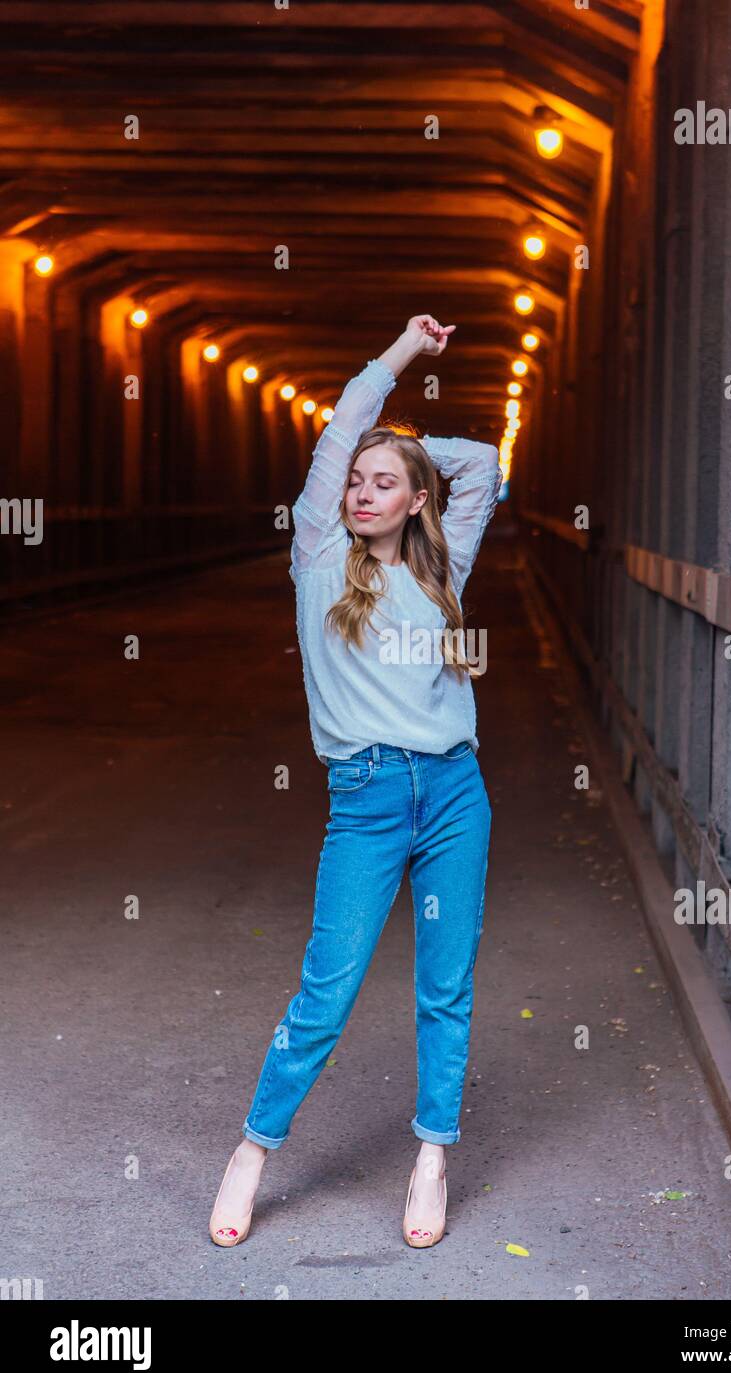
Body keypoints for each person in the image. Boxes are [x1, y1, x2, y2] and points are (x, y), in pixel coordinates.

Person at [208, 314, 502, 1250]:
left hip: (456, 793)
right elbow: (344, 424)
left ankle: (432, 1158)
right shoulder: (317, 558)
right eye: (356, 481)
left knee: (444, 988)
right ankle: (253, 1153)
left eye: (386, 484)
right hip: (367, 798)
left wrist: (414, 452)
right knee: (326, 993)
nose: (362, 491)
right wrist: (403, 360)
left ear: (417, 500)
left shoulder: (442, 562)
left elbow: (485, 464)